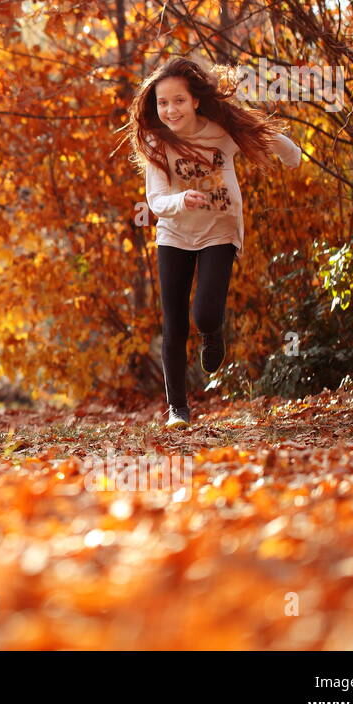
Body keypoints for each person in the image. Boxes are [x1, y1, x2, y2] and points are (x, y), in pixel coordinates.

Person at [123, 56, 302, 429]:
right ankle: (178, 409)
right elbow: (155, 200)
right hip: (174, 234)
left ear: (196, 101)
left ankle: (213, 333)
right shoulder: (156, 141)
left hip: (220, 230)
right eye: (162, 103)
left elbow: (267, 136)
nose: (170, 110)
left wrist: (292, 156)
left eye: (178, 101)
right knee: (174, 325)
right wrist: (181, 201)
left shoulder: (222, 129)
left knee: (204, 313)